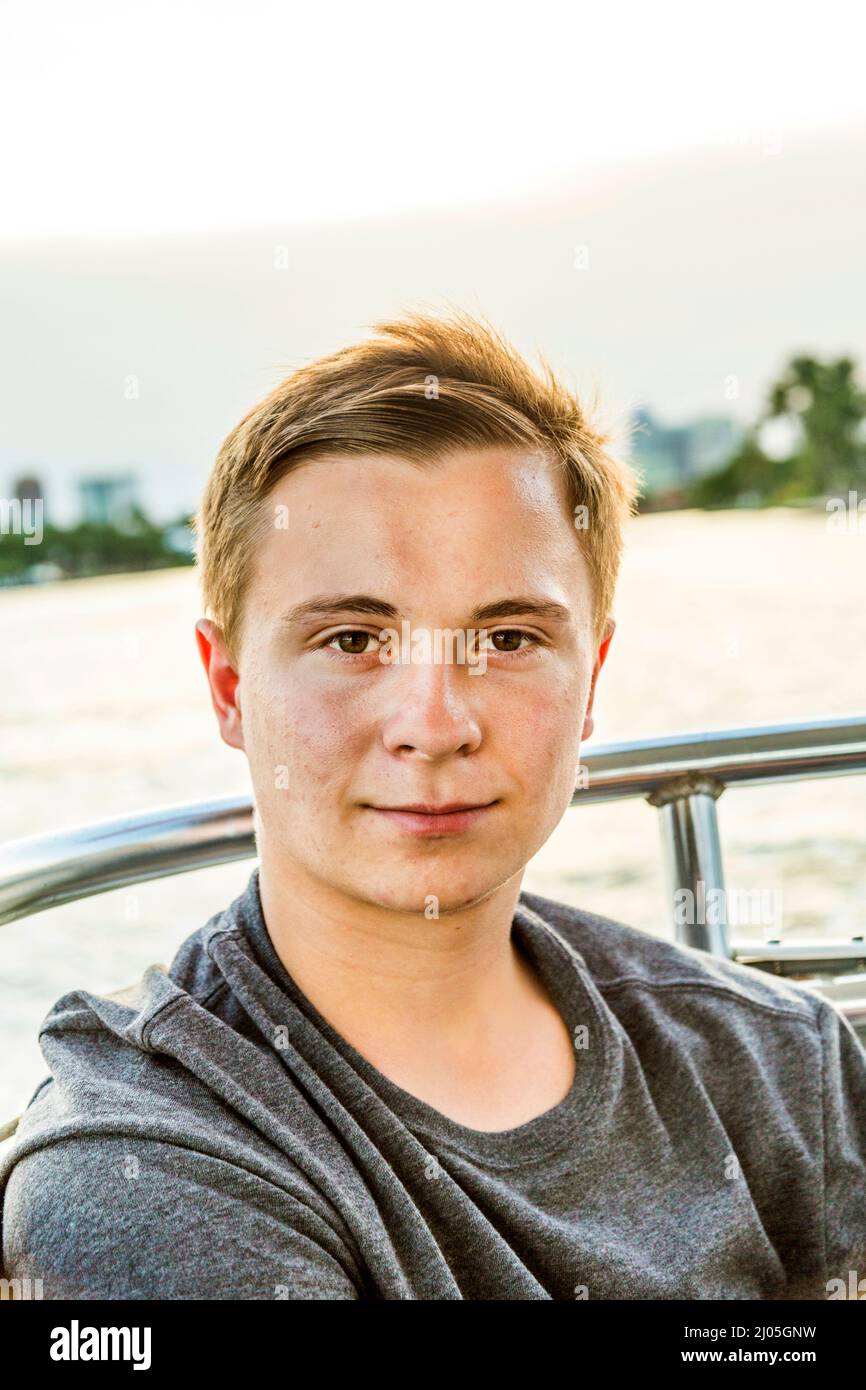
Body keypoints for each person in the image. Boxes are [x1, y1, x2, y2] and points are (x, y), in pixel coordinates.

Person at [2, 308, 865, 1300]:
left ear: (590, 677)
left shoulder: (779, 1060)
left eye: (505, 640)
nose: (435, 723)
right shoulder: (146, 1166)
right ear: (229, 686)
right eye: (353, 641)